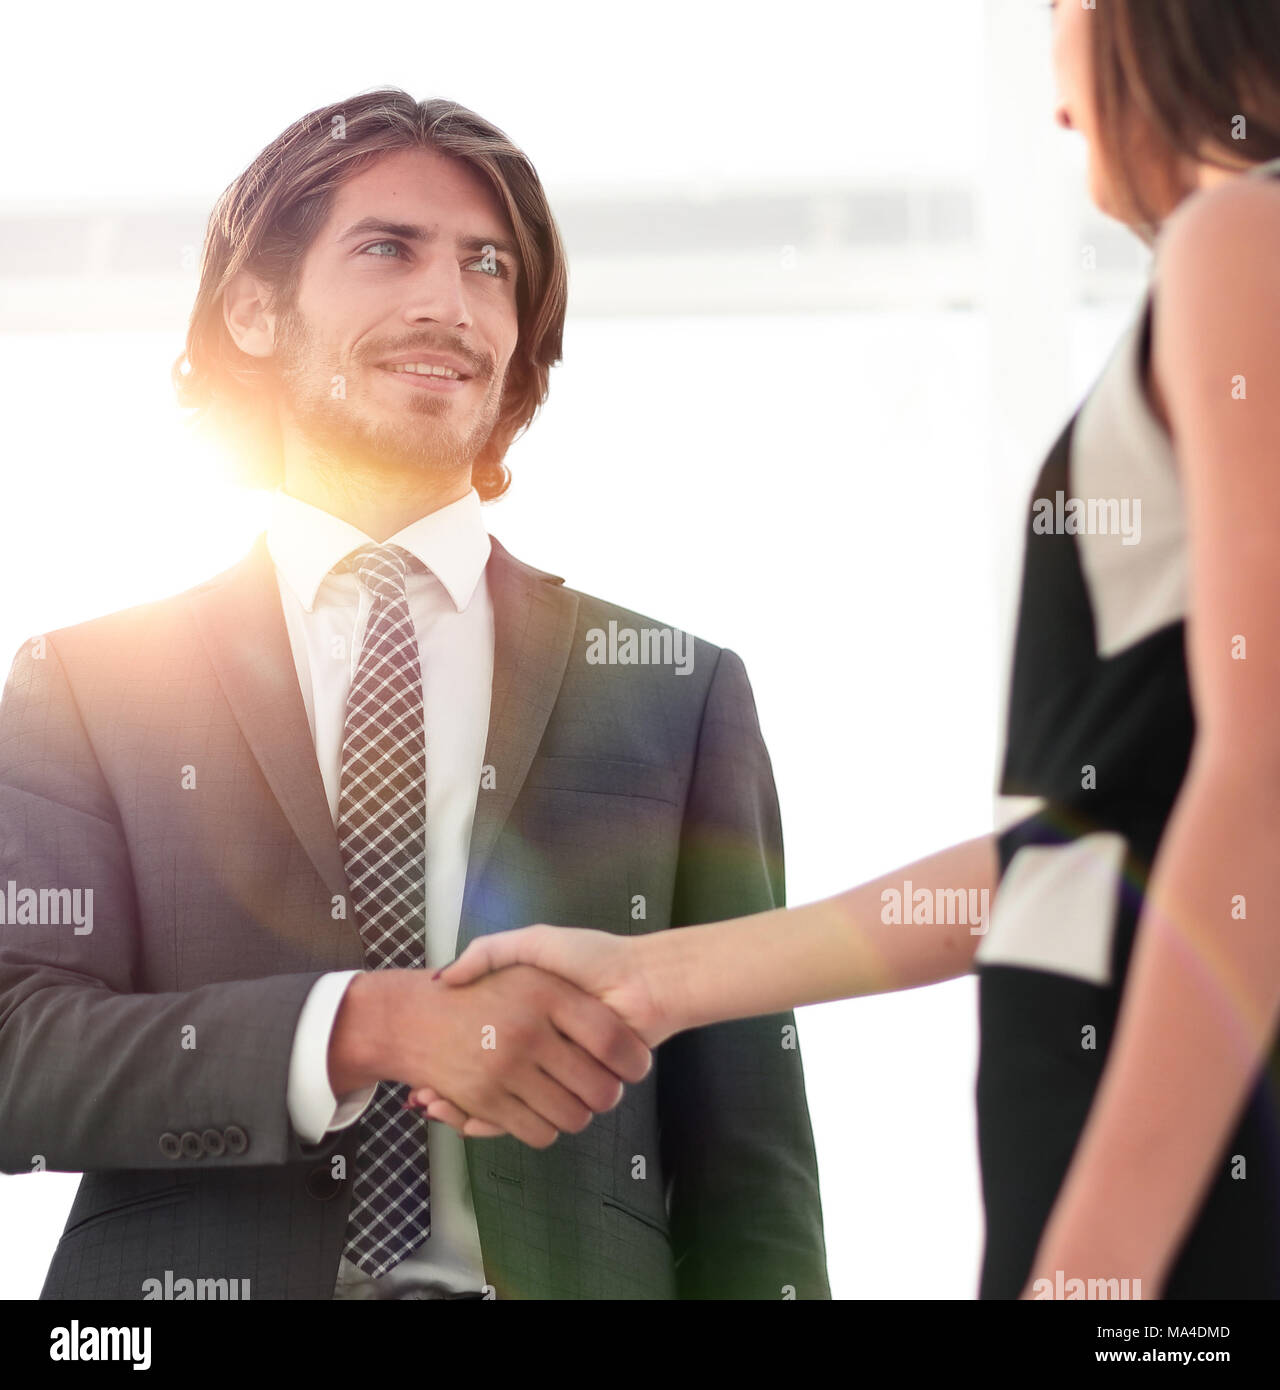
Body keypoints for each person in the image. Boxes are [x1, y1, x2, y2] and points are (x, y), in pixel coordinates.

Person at [420, 1, 1280, 1299]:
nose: (1054, 99)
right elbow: (1095, 849)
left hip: (1173, 1137)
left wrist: (1096, 1270)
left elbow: (1261, 780)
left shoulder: (1243, 238)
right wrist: (655, 978)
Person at [0, 89, 830, 1301]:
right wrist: (359, 1024)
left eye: (489, 267)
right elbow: (17, 1052)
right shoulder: (84, 686)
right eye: (387, 248)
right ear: (254, 307)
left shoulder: (678, 693)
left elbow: (750, 1153)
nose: (449, 302)